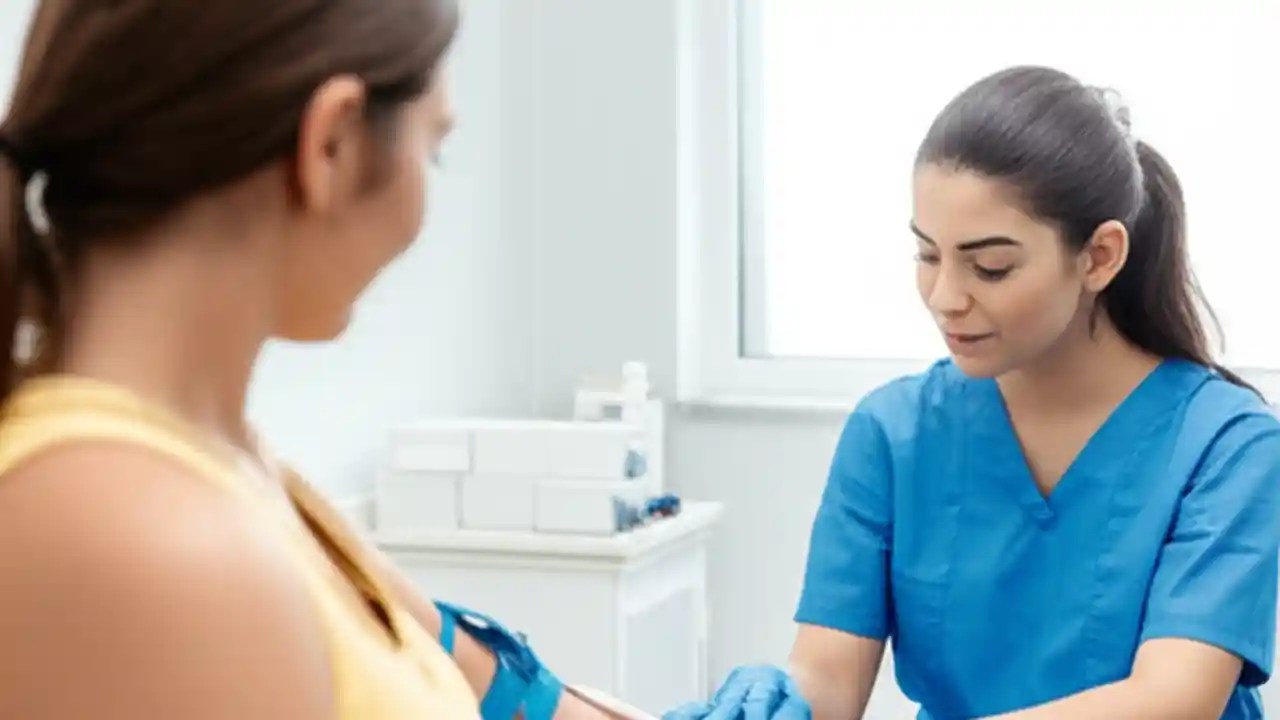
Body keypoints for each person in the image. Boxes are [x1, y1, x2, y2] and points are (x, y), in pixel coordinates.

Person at [0, 2, 636, 718]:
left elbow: (466, 667)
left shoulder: (225, 464)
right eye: (434, 150)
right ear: (331, 143)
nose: (426, 191)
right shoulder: (145, 541)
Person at [674, 66, 1280, 720]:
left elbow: (1173, 701)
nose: (945, 298)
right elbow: (830, 677)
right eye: (928, 255)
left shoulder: (1227, 447)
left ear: (1100, 256)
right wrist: (781, 700)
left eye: (991, 266)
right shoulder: (893, 432)